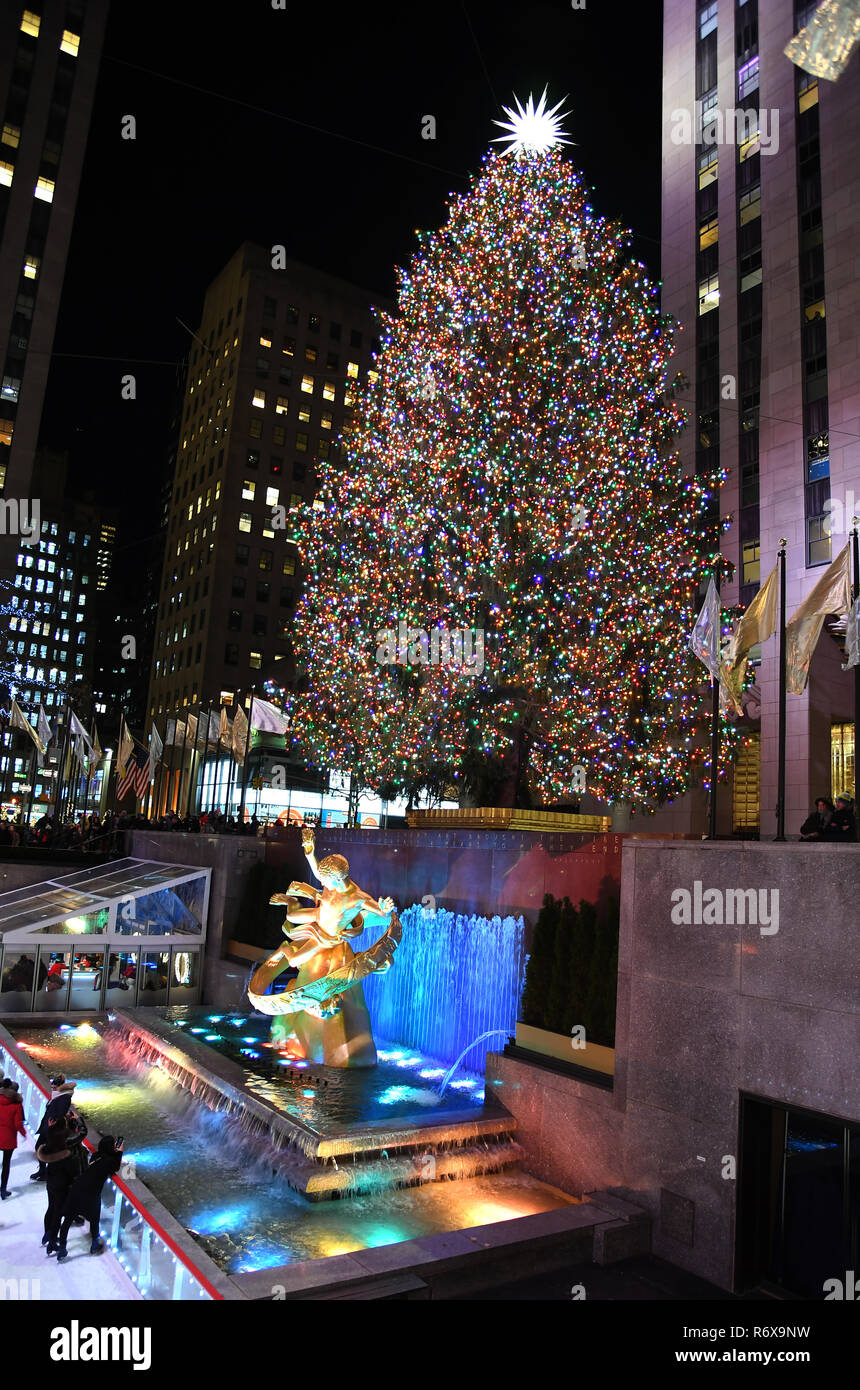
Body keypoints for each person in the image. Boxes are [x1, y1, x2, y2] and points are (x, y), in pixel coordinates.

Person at [54, 1135, 124, 1259]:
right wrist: (119, 1152)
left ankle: (62, 1248)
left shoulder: (96, 1156)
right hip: (91, 1192)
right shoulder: (109, 1162)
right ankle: (94, 1244)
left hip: (78, 1187)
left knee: (68, 1219)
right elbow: (116, 1166)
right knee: (94, 1219)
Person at [37, 1114, 88, 1251]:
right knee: (58, 1213)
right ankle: (52, 1242)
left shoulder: (51, 1141)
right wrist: (78, 1119)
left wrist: (53, 1126)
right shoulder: (65, 1145)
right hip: (62, 1184)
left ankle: (47, 1234)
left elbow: (52, 1131)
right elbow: (83, 1132)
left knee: (51, 1207)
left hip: (51, 1181)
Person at [30, 1075, 76, 1181]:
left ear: (60, 1087)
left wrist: (53, 1124)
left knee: (48, 1150)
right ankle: (42, 1170)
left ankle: (46, 1172)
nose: (52, 1088)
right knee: (40, 1147)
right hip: (47, 1126)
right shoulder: (57, 1095)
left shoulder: (64, 1097)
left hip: (52, 1128)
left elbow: (60, 1113)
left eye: (54, 1087)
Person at [0, 1079, 26, 1198]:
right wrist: (23, 1133)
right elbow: (17, 1124)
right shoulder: (17, 1105)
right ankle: (3, 1190)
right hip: (8, 1138)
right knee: (6, 1164)